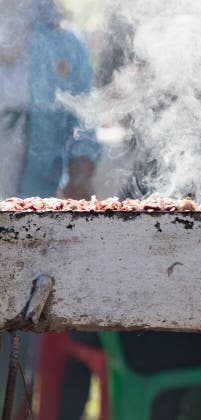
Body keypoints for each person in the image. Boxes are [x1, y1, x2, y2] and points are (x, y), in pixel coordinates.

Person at [0, 0, 99, 414]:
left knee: (20, 339)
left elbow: (83, 121)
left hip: (28, 214)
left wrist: (79, 172)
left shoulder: (63, 41)